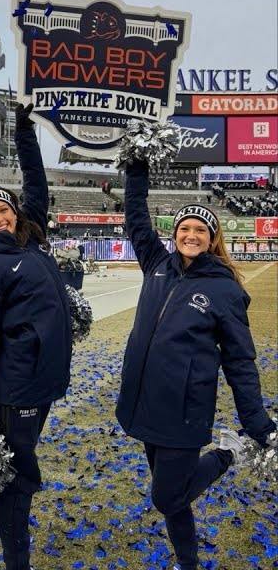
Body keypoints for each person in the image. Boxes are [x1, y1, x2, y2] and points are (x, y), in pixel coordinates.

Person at [117, 159, 275, 570]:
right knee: (176, 499)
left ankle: (227, 454)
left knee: (168, 496)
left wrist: (256, 423)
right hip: (145, 401)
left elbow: (240, 361)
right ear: (175, 234)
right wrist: (137, 169)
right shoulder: (157, 264)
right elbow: (136, 218)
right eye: (185, 228)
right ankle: (188, 564)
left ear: (211, 239)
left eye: (200, 230)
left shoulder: (224, 290)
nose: (191, 234)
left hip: (185, 411)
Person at [0, 105, 72, 570]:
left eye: (5, 209)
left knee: (1, 475)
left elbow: (36, 183)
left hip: (42, 384)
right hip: (15, 389)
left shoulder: (32, 238)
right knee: (15, 481)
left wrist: (25, 129)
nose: (0, 217)